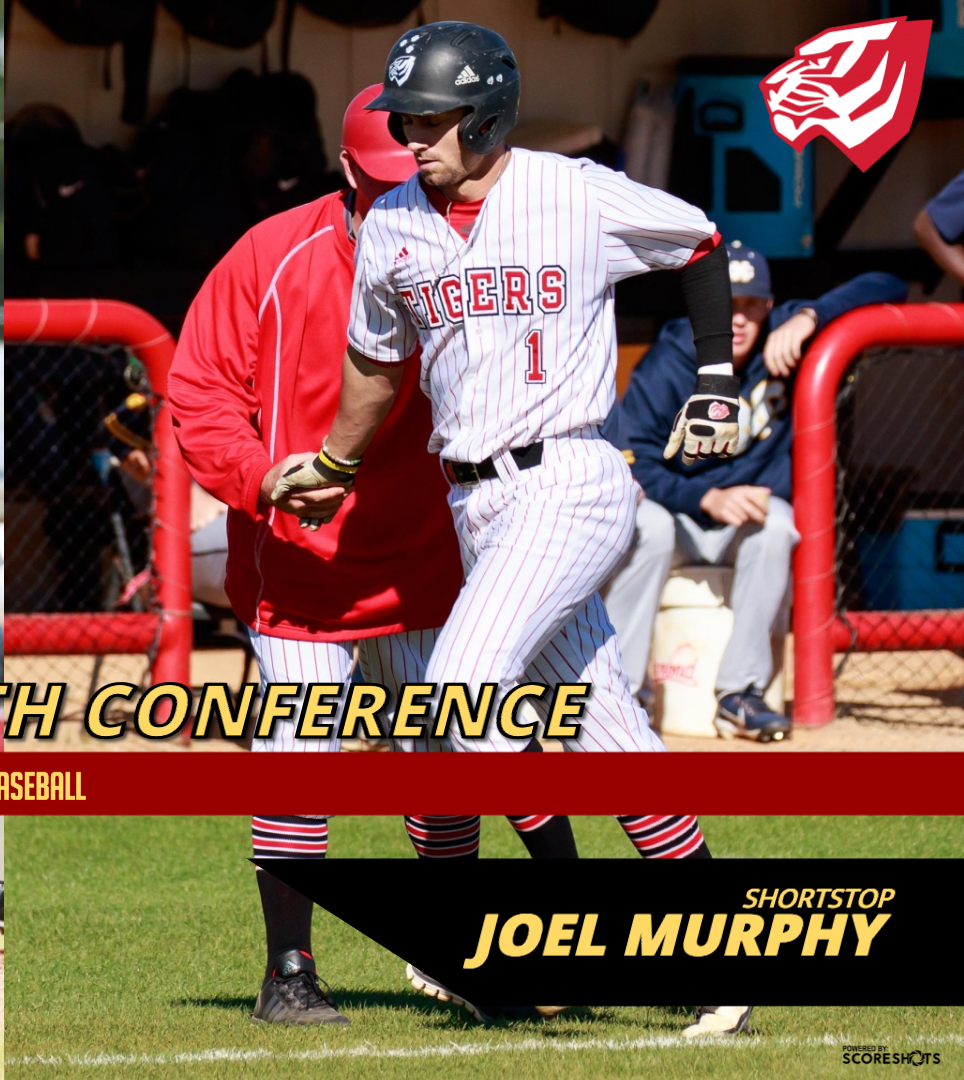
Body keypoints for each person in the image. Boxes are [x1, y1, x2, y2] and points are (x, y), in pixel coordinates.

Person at [171, 83, 704, 1031]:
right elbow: (200, 392)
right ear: (345, 171)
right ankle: (288, 972)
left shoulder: (491, 226)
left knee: (447, 762)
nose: (404, 189)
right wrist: (259, 477)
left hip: (435, 558)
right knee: (298, 762)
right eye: (385, 170)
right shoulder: (271, 256)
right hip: (302, 561)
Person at [605, 243, 905, 740]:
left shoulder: (784, 334)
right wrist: (702, 498)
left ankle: (739, 694)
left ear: (769, 306)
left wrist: (810, 316)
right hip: (678, 518)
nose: (738, 318)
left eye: (751, 304)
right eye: (727, 302)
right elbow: (629, 463)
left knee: (778, 525)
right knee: (647, 524)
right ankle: (620, 695)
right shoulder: (670, 362)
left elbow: (888, 282)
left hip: (744, 525)